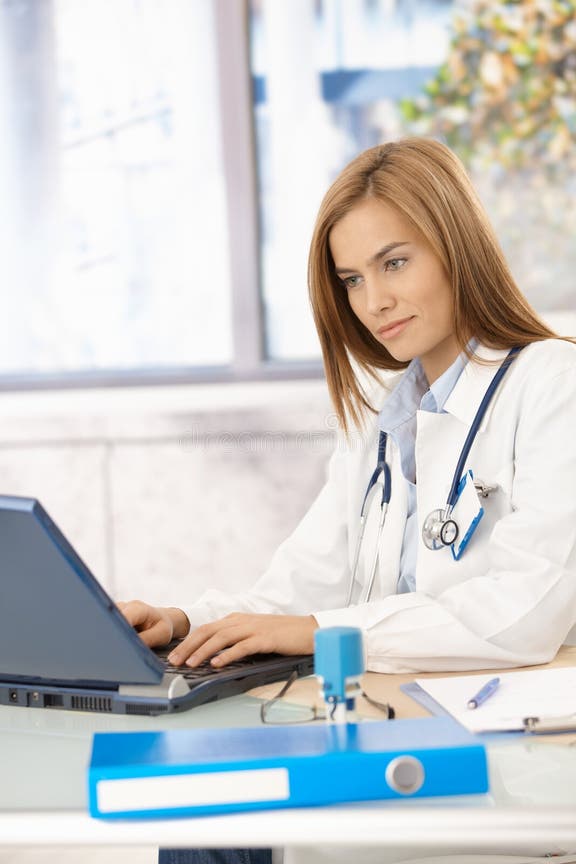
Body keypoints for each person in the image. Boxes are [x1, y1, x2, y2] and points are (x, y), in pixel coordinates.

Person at [120, 137, 576, 864]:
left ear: (456, 246)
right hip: (383, 738)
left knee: (220, 824)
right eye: (352, 279)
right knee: (200, 807)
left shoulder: (553, 383)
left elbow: (524, 613)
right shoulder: (380, 420)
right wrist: (183, 622)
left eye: (394, 263)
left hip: (504, 769)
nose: (373, 302)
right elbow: (297, 590)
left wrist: (320, 632)